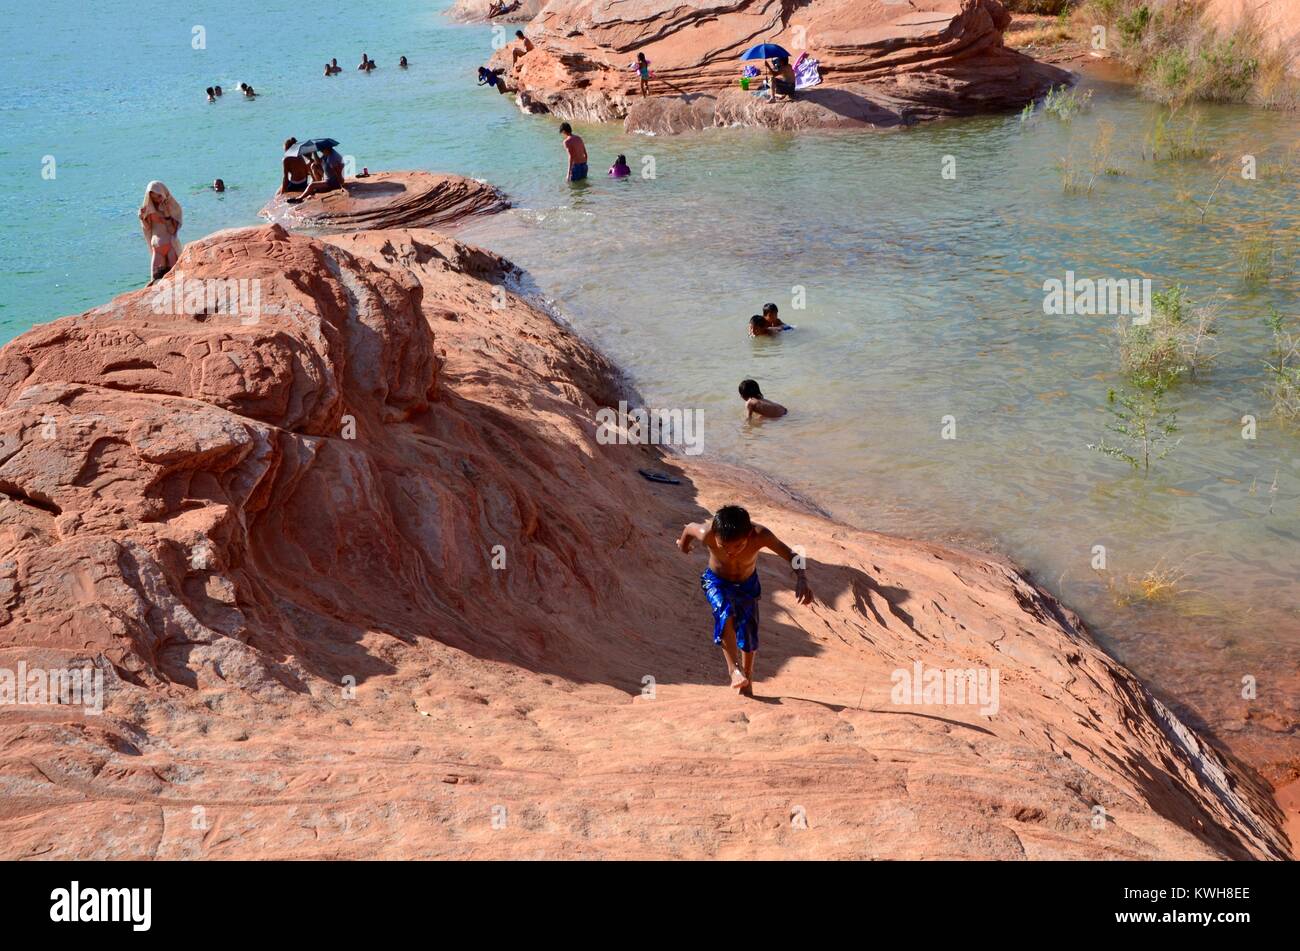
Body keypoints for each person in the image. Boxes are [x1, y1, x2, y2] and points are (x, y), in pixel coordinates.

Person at [677, 505, 814, 696]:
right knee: (724, 612)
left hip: (747, 584)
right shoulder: (706, 533)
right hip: (716, 581)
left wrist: (802, 579)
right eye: (724, 546)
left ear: (749, 534)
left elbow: (792, 555)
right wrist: (684, 546)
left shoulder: (761, 535)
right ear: (715, 533)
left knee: (748, 630)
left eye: (738, 546)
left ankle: (747, 678)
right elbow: (689, 528)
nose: (731, 552)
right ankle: (733, 670)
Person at [138, 181, 182, 284]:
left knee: (176, 279)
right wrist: (142, 219)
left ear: (163, 192)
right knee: (154, 279)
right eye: (153, 198)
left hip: (171, 247)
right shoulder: (148, 210)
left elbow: (172, 230)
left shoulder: (173, 207)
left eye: (159, 196)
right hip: (157, 249)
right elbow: (148, 229)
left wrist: (166, 215)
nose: (157, 200)